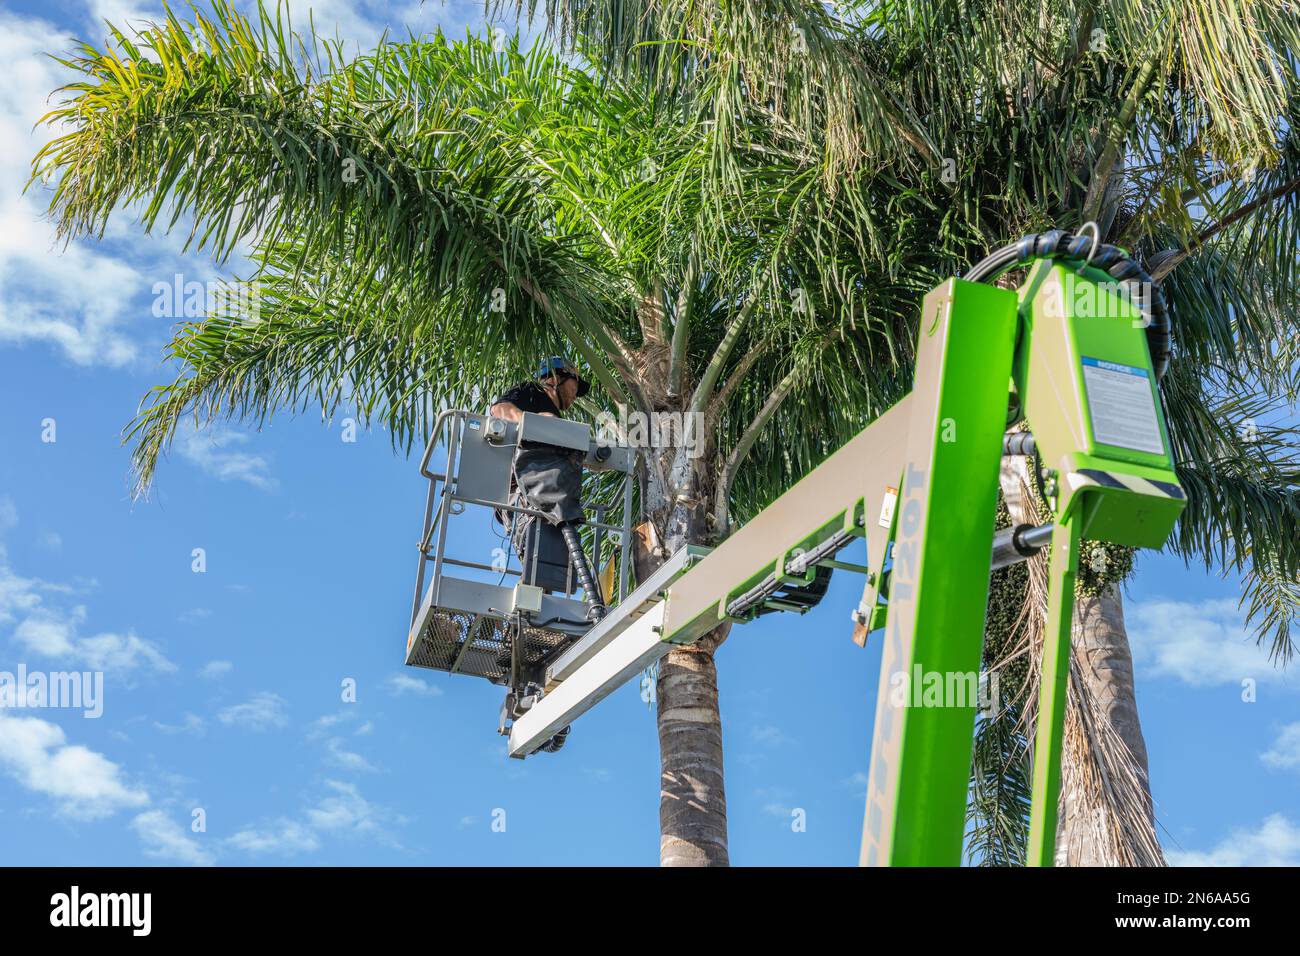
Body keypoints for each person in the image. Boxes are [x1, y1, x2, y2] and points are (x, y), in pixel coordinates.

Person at [489, 357, 605, 622]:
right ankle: (524, 615)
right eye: (574, 387)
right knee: (537, 547)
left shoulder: (560, 422)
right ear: (554, 379)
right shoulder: (531, 391)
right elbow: (500, 409)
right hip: (522, 493)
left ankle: (530, 615)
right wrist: (538, 424)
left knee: (548, 561)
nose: (576, 395)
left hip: (548, 497)